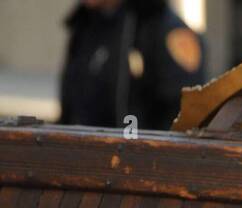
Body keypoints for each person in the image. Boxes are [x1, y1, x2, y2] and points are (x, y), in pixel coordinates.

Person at [58, 0, 204, 131]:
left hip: (142, 156)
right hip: (83, 154)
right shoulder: (84, 24)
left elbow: (184, 115)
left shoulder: (160, 26)